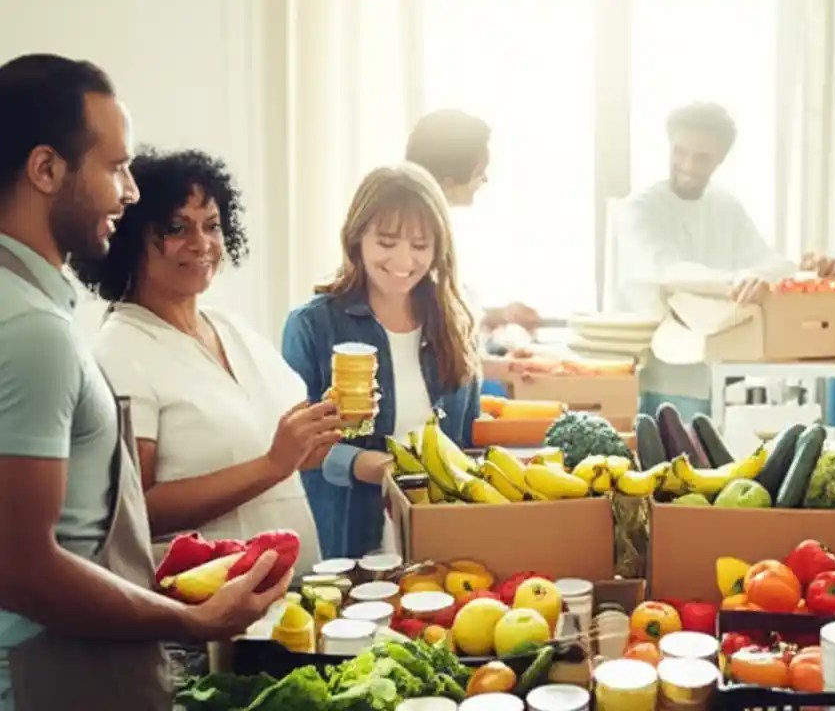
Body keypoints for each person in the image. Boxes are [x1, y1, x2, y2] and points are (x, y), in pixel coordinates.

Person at [0, 54, 289, 711]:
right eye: (115, 167)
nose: (128, 192)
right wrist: (190, 620)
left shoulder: (33, 310)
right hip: (47, 669)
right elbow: (21, 567)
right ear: (46, 170)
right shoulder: (31, 331)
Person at [69, 148, 339, 574]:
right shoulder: (121, 351)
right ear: (129, 237)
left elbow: (278, 448)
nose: (201, 244)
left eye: (211, 225)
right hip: (210, 611)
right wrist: (273, 464)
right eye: (177, 228)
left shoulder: (231, 328)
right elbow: (137, 510)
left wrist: (312, 441)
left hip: (293, 594)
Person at [283, 163, 481, 559]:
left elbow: (468, 442)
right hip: (347, 548)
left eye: (420, 244)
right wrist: (366, 464)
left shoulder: (453, 324)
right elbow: (292, 451)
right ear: (357, 238)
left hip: (441, 548)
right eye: (387, 242)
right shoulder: (312, 326)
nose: (403, 259)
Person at [607, 101, 835, 417]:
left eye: (702, 157)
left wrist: (808, 273)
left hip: (716, 376)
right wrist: (739, 279)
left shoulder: (725, 206)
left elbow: (763, 261)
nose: (688, 165)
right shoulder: (638, 209)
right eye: (680, 152)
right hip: (654, 378)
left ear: (720, 159)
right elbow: (668, 272)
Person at [405, 109, 540, 334]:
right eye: (479, 172)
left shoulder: (436, 229)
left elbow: (447, 315)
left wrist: (499, 316)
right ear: (446, 184)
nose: (485, 179)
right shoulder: (417, 245)